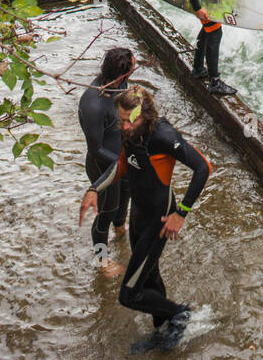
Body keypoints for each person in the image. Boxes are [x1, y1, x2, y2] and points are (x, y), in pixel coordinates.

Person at [79, 87, 211, 342]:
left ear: (146, 115)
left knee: (129, 295)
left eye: (131, 120)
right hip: (138, 213)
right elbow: (120, 166)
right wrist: (94, 189)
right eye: (122, 119)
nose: (125, 126)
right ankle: (164, 331)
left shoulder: (163, 135)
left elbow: (203, 167)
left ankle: (180, 315)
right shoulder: (129, 132)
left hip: (158, 220)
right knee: (149, 274)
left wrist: (180, 214)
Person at [77, 45, 135, 276]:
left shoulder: (120, 85)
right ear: (123, 72)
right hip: (105, 165)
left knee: (125, 197)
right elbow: (96, 149)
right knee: (105, 215)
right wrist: (122, 163)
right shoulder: (93, 103)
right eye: (133, 64)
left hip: (122, 157)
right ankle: (102, 261)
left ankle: (120, 229)